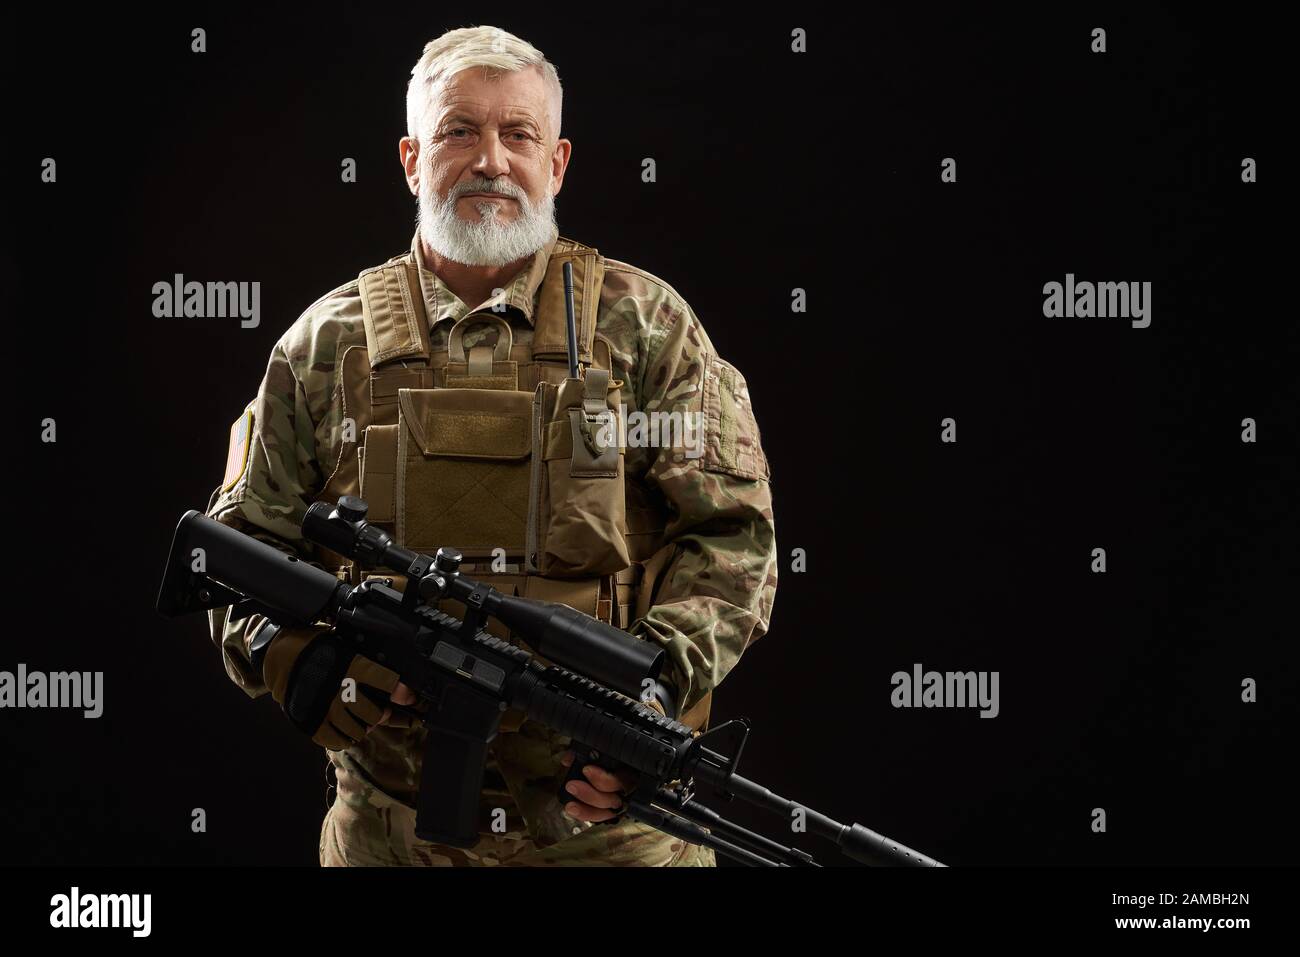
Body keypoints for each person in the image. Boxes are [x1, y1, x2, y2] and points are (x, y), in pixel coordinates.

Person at [206, 25, 777, 866]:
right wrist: (292, 656)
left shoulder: (646, 325)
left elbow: (735, 538)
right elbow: (237, 553)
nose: (491, 161)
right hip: (388, 836)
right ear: (410, 158)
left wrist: (651, 700)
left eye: (519, 134)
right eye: (459, 132)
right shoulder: (324, 345)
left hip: (606, 838)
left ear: (558, 162)